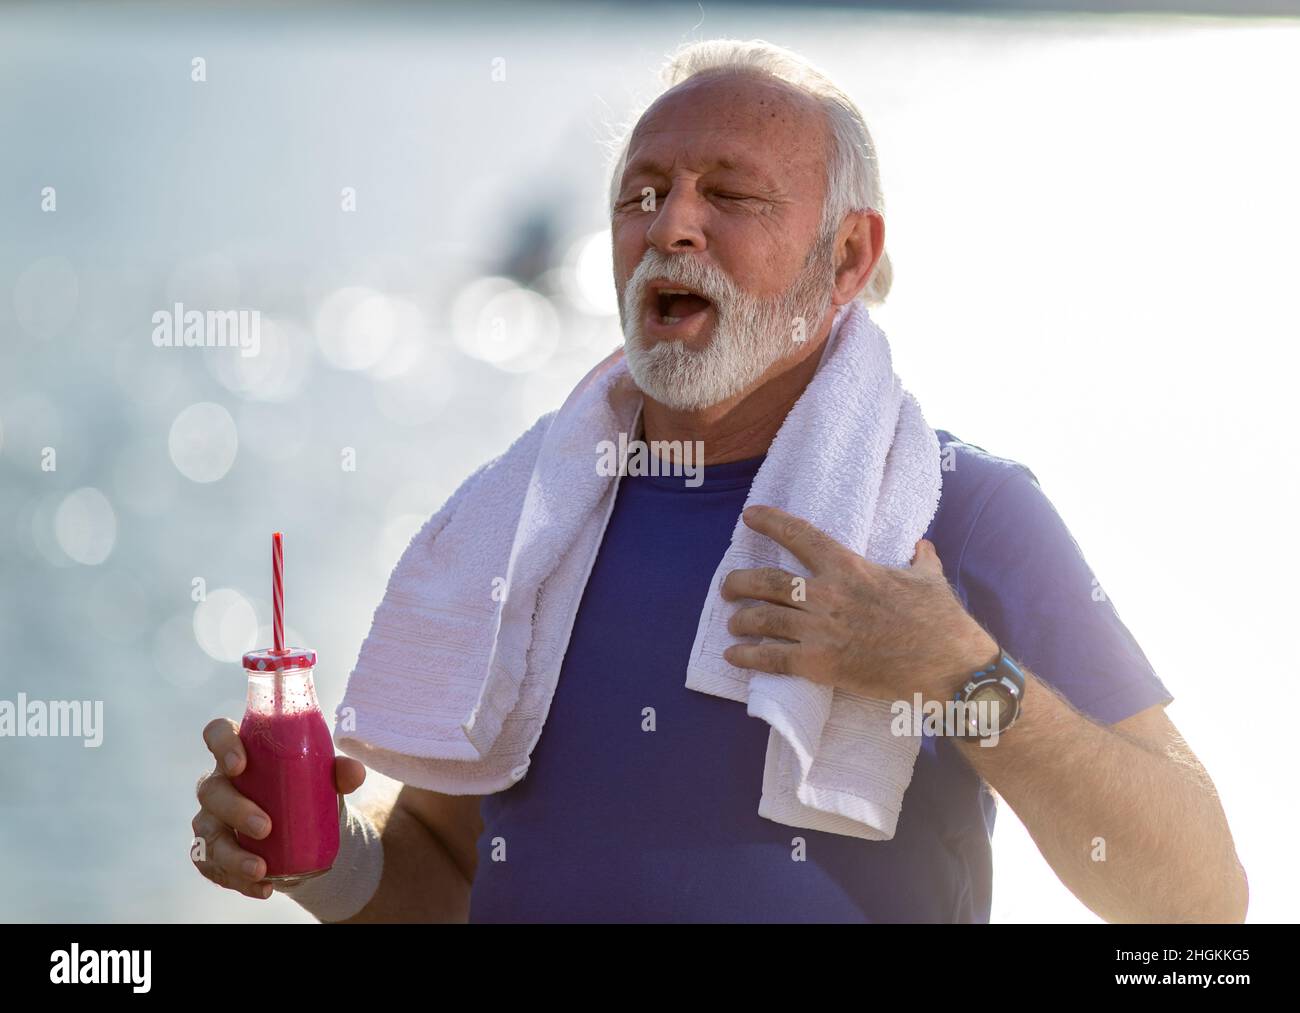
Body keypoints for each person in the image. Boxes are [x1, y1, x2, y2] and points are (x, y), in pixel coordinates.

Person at [192, 38, 1246, 923]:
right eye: (639, 197)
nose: (669, 227)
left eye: (729, 195)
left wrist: (954, 676)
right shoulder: (528, 513)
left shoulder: (959, 509)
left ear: (845, 258)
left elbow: (1198, 900)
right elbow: (445, 868)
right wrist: (318, 857)